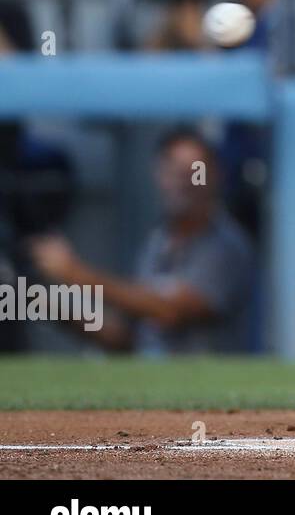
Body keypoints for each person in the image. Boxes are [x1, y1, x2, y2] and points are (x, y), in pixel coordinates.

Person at [29, 127, 254, 354]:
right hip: (154, 381)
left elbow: (170, 312)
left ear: (216, 175)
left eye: (195, 171)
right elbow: (127, 337)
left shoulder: (226, 246)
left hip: (204, 384)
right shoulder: (157, 243)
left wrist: (76, 275)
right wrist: (51, 307)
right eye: (173, 170)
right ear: (158, 174)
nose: (184, 181)